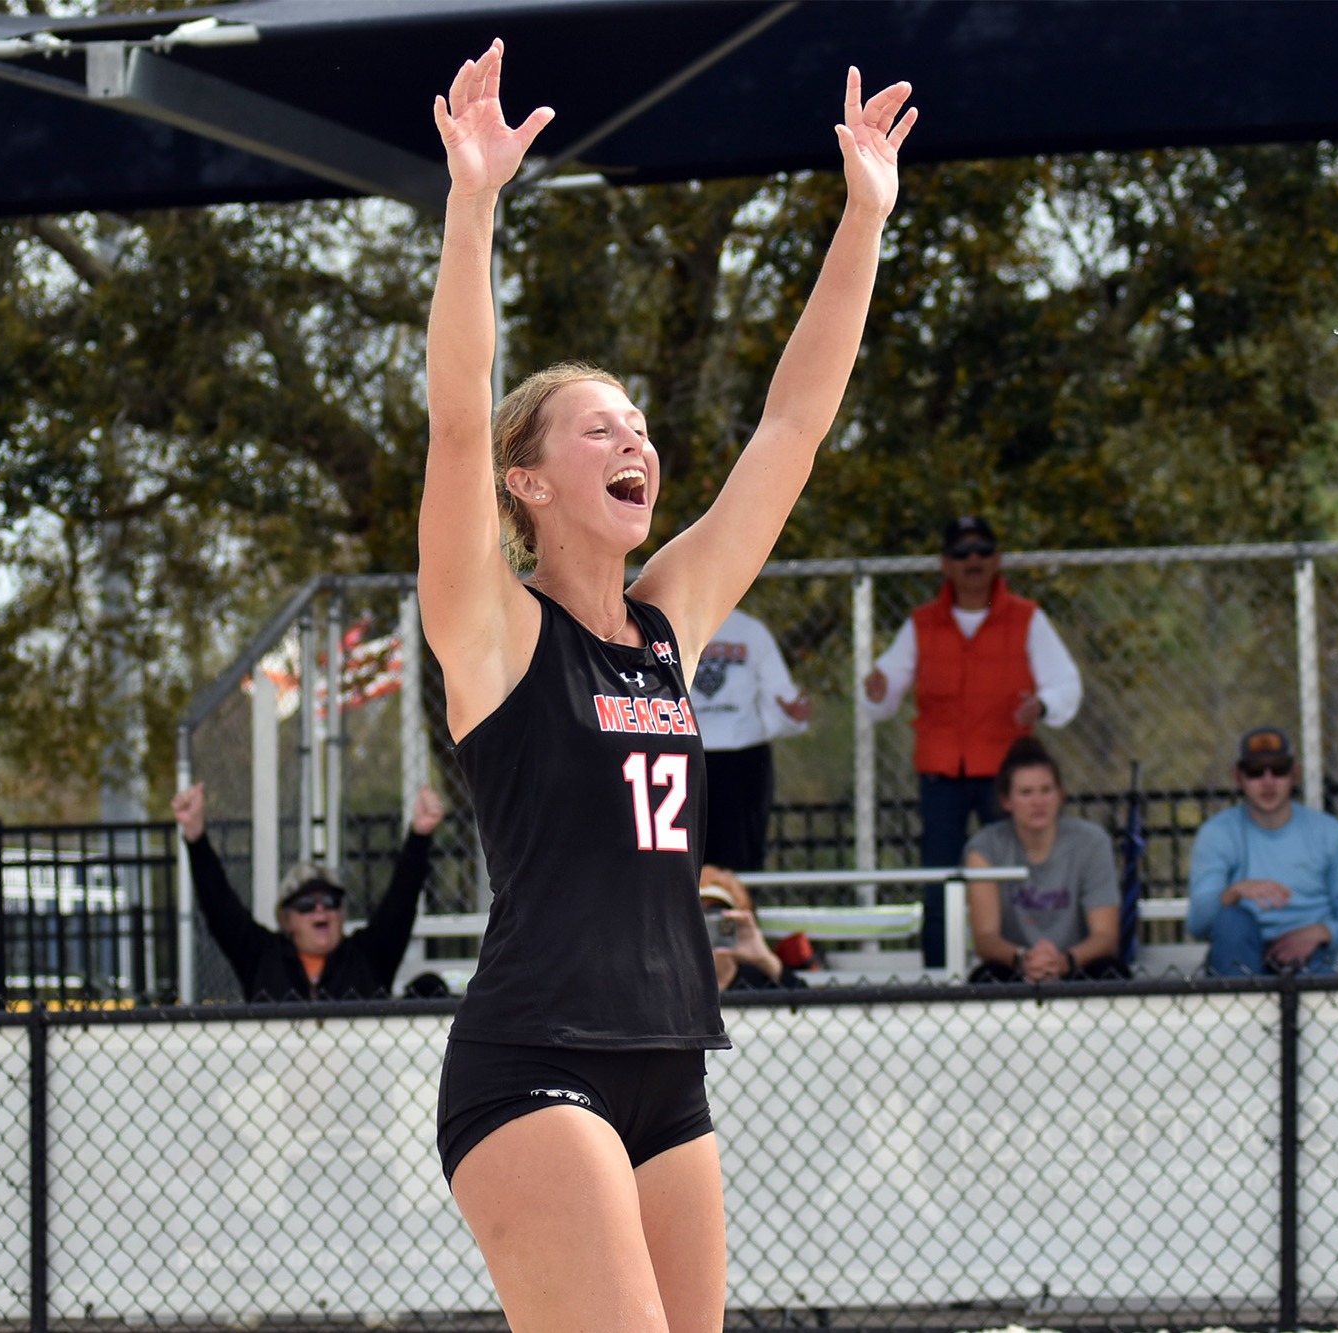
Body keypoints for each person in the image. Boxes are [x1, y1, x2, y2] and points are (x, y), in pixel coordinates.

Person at [420, 38, 915, 1333]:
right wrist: (472, 206)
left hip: (669, 1065)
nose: (634, 434)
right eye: (599, 424)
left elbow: (792, 429)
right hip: (534, 1064)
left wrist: (862, 217)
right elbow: (462, 416)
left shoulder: (665, 623)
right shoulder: (494, 629)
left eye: (637, 419)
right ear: (530, 483)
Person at [860, 515, 1083, 968]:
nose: (973, 560)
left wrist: (1040, 705)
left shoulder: (1026, 618)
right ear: (945, 563)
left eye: (983, 550)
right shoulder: (922, 623)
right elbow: (884, 691)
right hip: (942, 773)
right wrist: (877, 691)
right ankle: (940, 970)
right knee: (941, 876)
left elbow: (1067, 685)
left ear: (998, 559)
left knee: (1015, 873)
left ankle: (1018, 964)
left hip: (1007, 775)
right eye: (962, 553)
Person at [170, 781, 444, 1001]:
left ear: (341, 913)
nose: (320, 909)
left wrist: (420, 835)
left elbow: (400, 903)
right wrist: (195, 837)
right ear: (287, 919)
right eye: (305, 904)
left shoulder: (367, 956)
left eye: (330, 900)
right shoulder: (262, 956)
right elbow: (220, 907)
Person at [1187, 726, 1338, 976]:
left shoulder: (1328, 832)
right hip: (1240, 957)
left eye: (1279, 769)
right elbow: (1198, 926)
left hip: (1310, 959)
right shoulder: (1217, 833)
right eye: (1255, 772)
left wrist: (1319, 933)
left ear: (1295, 774)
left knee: (1319, 972)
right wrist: (1233, 892)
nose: (1268, 781)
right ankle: (1242, 1009)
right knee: (1232, 923)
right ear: (1237, 777)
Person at [963, 737, 1126, 983]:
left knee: (1111, 973)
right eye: (1026, 793)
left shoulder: (1092, 842)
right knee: (986, 978)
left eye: (1046, 790)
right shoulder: (985, 848)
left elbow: (1105, 935)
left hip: (1076, 963)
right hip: (1016, 966)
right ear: (1007, 801)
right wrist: (1024, 959)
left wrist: (1064, 961)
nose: (1037, 802)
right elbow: (986, 938)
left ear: (1060, 795)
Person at [695, 607, 810, 871]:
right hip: (684, 753)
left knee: (742, 856)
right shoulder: (668, 622)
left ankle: (739, 911)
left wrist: (792, 715)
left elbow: (782, 700)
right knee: (684, 855)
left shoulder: (750, 631)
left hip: (742, 756)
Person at [700, 864, 813, 992]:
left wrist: (766, 961)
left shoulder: (756, 979)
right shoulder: (677, 978)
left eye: (718, 910)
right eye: (698, 910)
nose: (708, 919)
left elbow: (805, 1006)